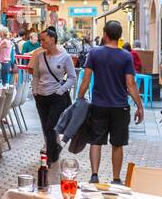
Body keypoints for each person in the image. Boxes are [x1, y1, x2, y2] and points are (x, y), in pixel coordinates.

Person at [76, 19, 145, 183]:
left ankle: (94, 175)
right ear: (119, 37)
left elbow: (85, 79)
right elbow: (131, 83)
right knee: (117, 143)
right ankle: (116, 178)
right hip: (120, 106)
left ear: (105, 35)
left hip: (99, 105)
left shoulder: (94, 53)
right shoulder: (126, 56)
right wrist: (139, 106)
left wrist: (79, 98)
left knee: (96, 141)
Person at [29, 27, 76, 165]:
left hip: (57, 97)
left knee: (50, 126)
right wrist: (35, 91)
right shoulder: (40, 56)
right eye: (40, 39)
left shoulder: (64, 57)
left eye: (43, 39)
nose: (41, 42)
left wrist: (61, 90)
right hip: (41, 97)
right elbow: (36, 75)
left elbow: (72, 78)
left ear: (52, 39)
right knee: (45, 127)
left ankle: (50, 157)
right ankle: (54, 151)